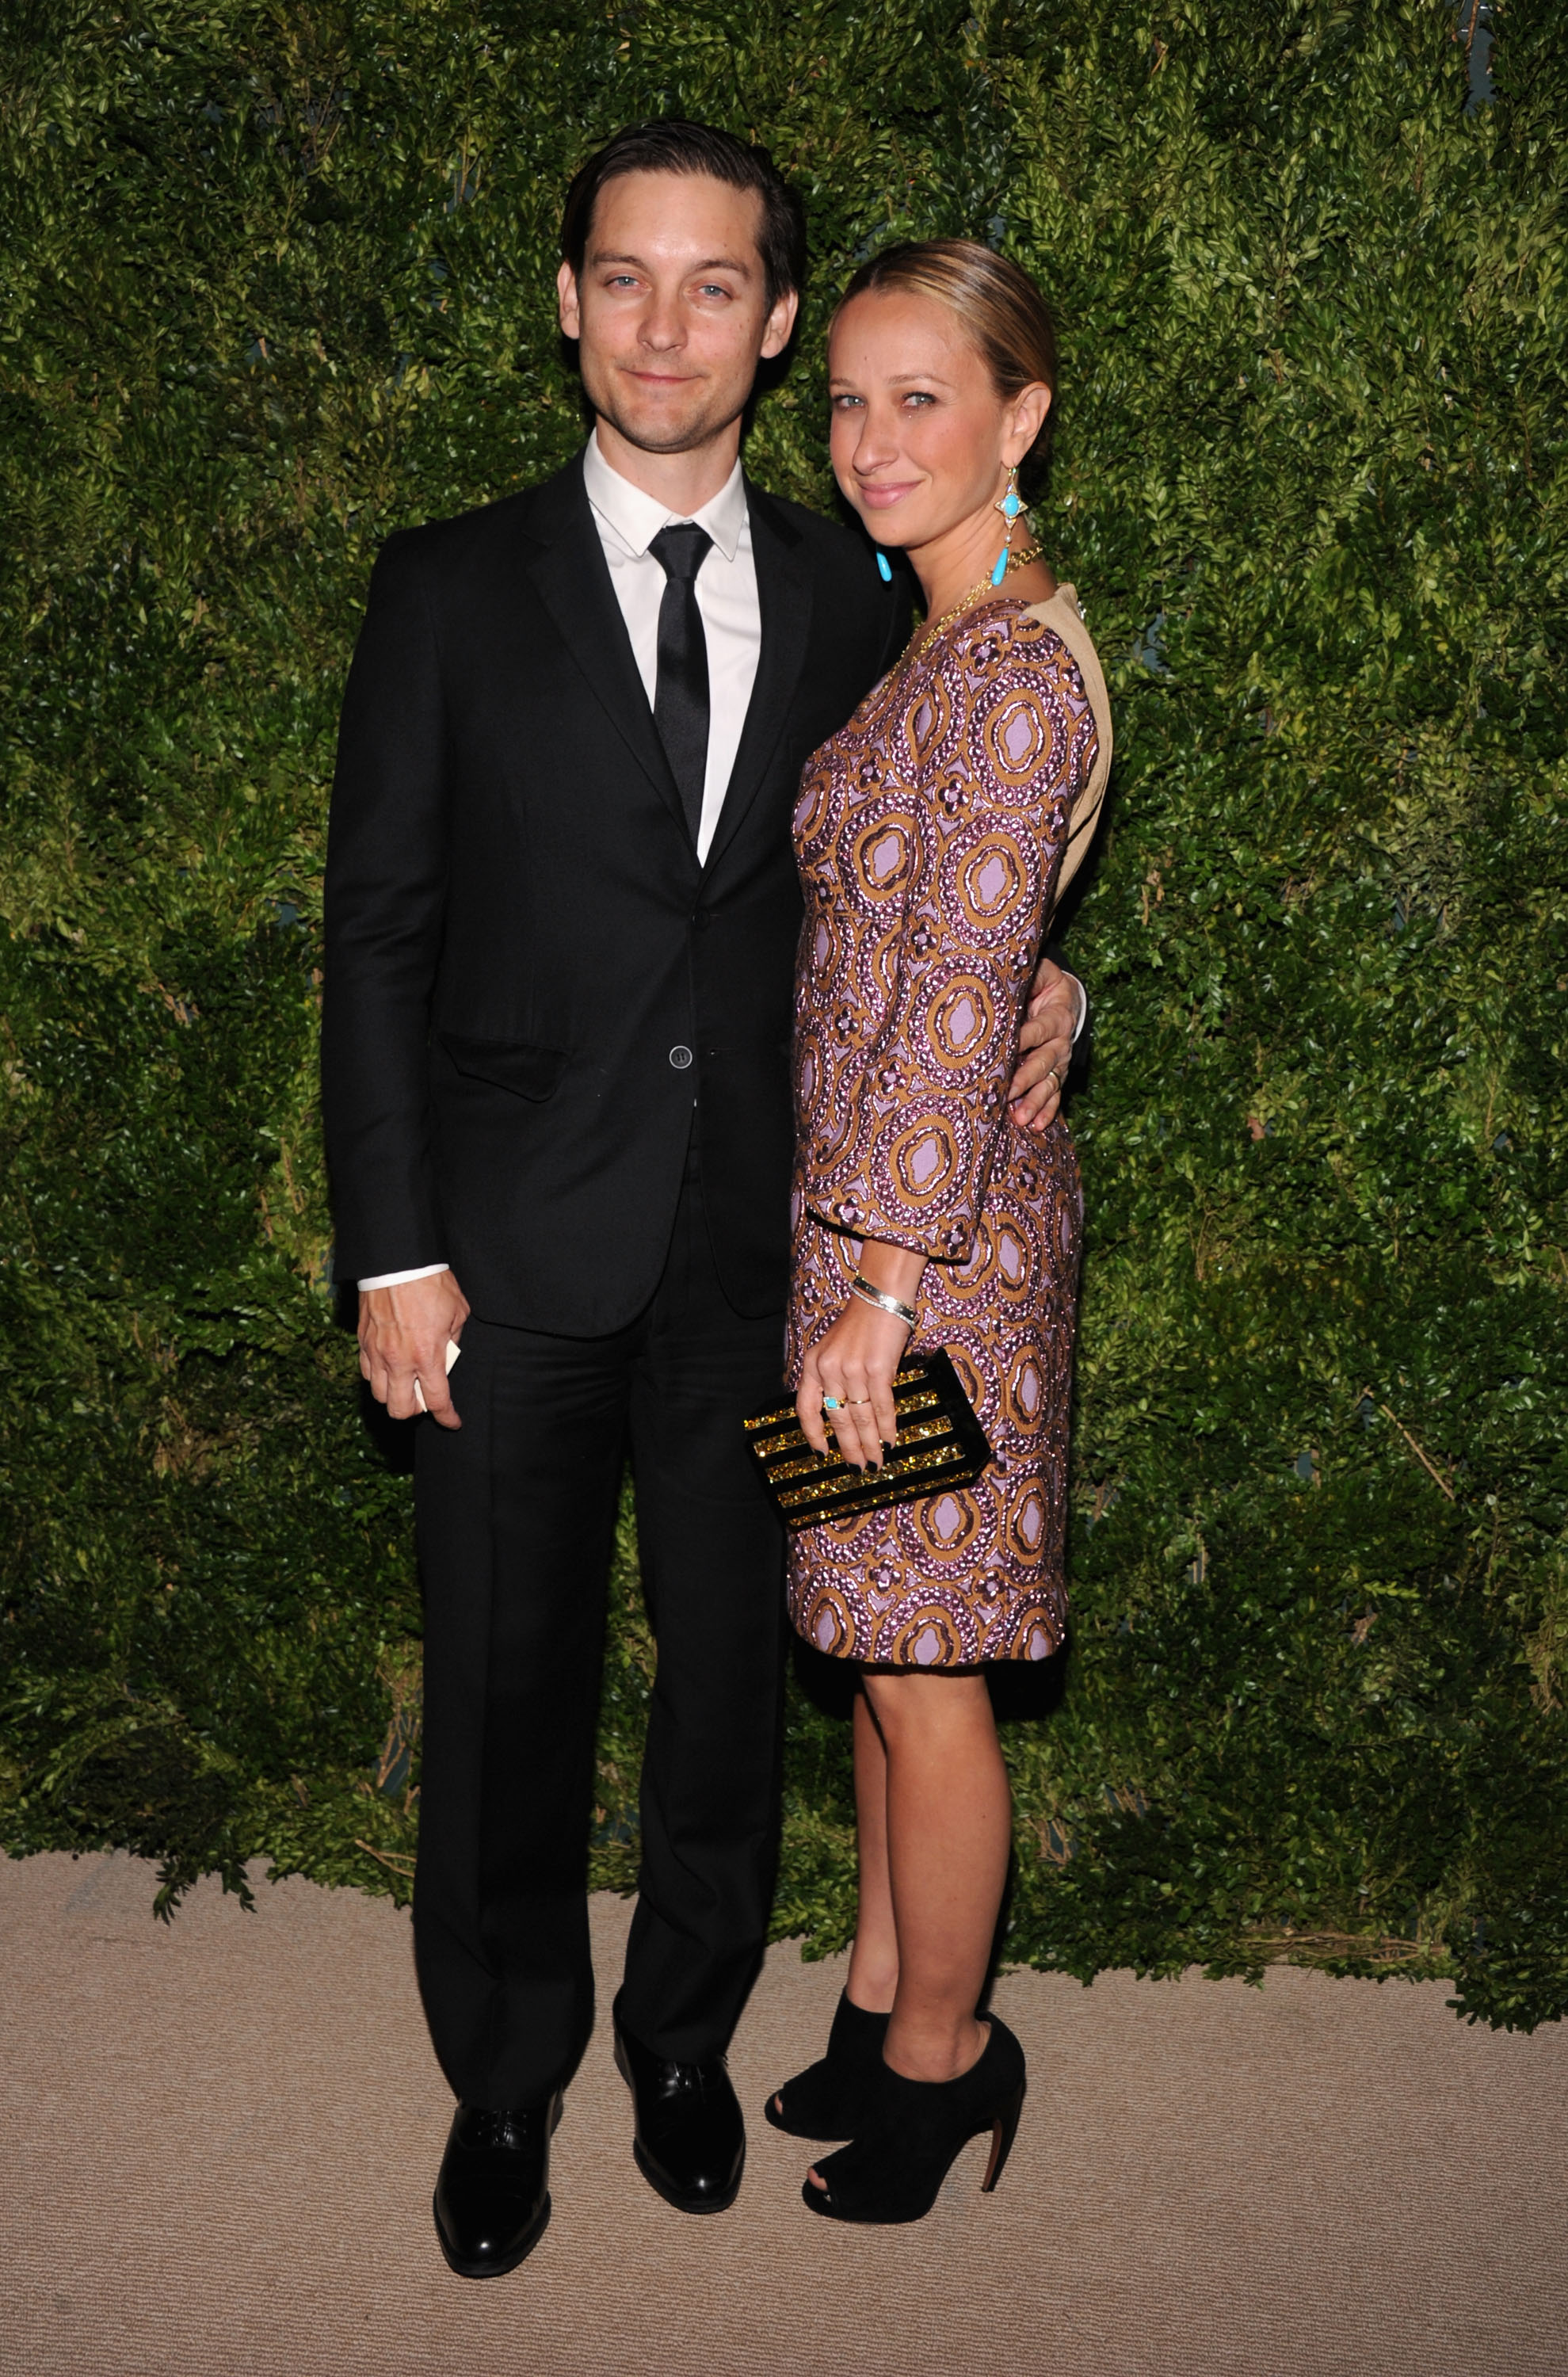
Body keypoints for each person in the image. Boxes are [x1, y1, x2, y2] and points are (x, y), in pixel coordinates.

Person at [321, 127, 1087, 2279]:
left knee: (731, 1687)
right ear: (568, 301)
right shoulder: (443, 588)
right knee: (500, 1678)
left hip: (779, 1262)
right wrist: (391, 1245)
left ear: (769, 316)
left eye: (717, 284)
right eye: (624, 278)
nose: (668, 323)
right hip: (503, 1248)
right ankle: (499, 2079)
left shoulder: (874, 587)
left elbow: (946, 863)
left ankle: (682, 2042)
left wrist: (1054, 974)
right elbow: (376, 934)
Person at [767, 239, 1112, 2224]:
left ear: (1020, 415)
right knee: (882, 1647)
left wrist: (883, 1292)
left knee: (927, 1672)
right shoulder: (946, 630)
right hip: (877, 1229)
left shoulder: (1000, 669)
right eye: (852, 400)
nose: (874, 441)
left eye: (923, 399)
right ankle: (882, 1981)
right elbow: (971, 952)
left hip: (932, 1259)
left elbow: (971, 990)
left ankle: (944, 2060)